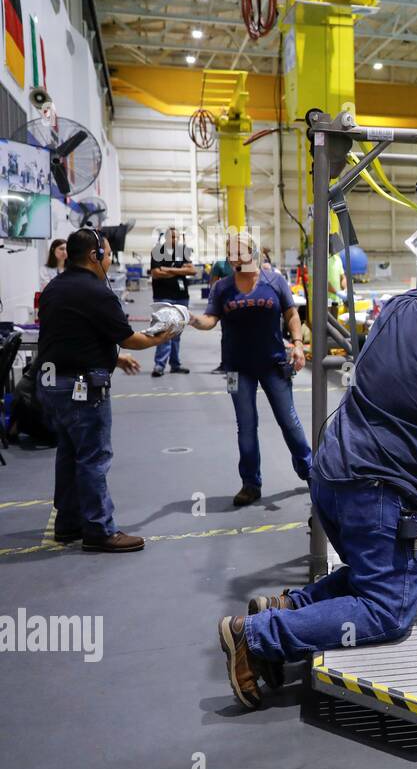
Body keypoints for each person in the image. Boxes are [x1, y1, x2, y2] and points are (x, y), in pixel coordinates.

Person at [218, 258, 417, 710]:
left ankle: (286, 607)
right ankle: (255, 636)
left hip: (333, 473)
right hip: (378, 491)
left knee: (383, 574)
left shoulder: (396, 306)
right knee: (388, 609)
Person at [34, 228, 179, 552]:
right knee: (94, 458)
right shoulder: (96, 292)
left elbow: (73, 338)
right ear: (94, 256)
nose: (110, 260)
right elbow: (130, 337)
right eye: (109, 254)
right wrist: (162, 336)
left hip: (51, 384)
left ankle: (68, 523)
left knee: (70, 453)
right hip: (82, 387)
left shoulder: (54, 288)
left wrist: (113, 359)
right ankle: (99, 529)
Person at [187, 232, 311, 506]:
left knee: (289, 422)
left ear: (252, 253)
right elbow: (210, 320)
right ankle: (250, 484)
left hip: (274, 363)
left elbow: (291, 313)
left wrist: (299, 344)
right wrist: (192, 320)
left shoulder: (274, 281)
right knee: (246, 426)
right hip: (236, 368)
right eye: (230, 252)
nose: (233, 257)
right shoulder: (222, 288)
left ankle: (310, 472)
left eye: (239, 251)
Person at [149, 227, 195, 377]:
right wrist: (180, 270)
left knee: (177, 333)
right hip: (163, 296)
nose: (175, 240)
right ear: (167, 238)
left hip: (181, 296)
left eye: (177, 238)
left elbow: (192, 270)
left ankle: (175, 364)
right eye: (172, 237)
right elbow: (156, 273)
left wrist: (168, 270)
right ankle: (159, 365)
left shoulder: (184, 252)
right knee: (164, 330)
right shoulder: (157, 251)